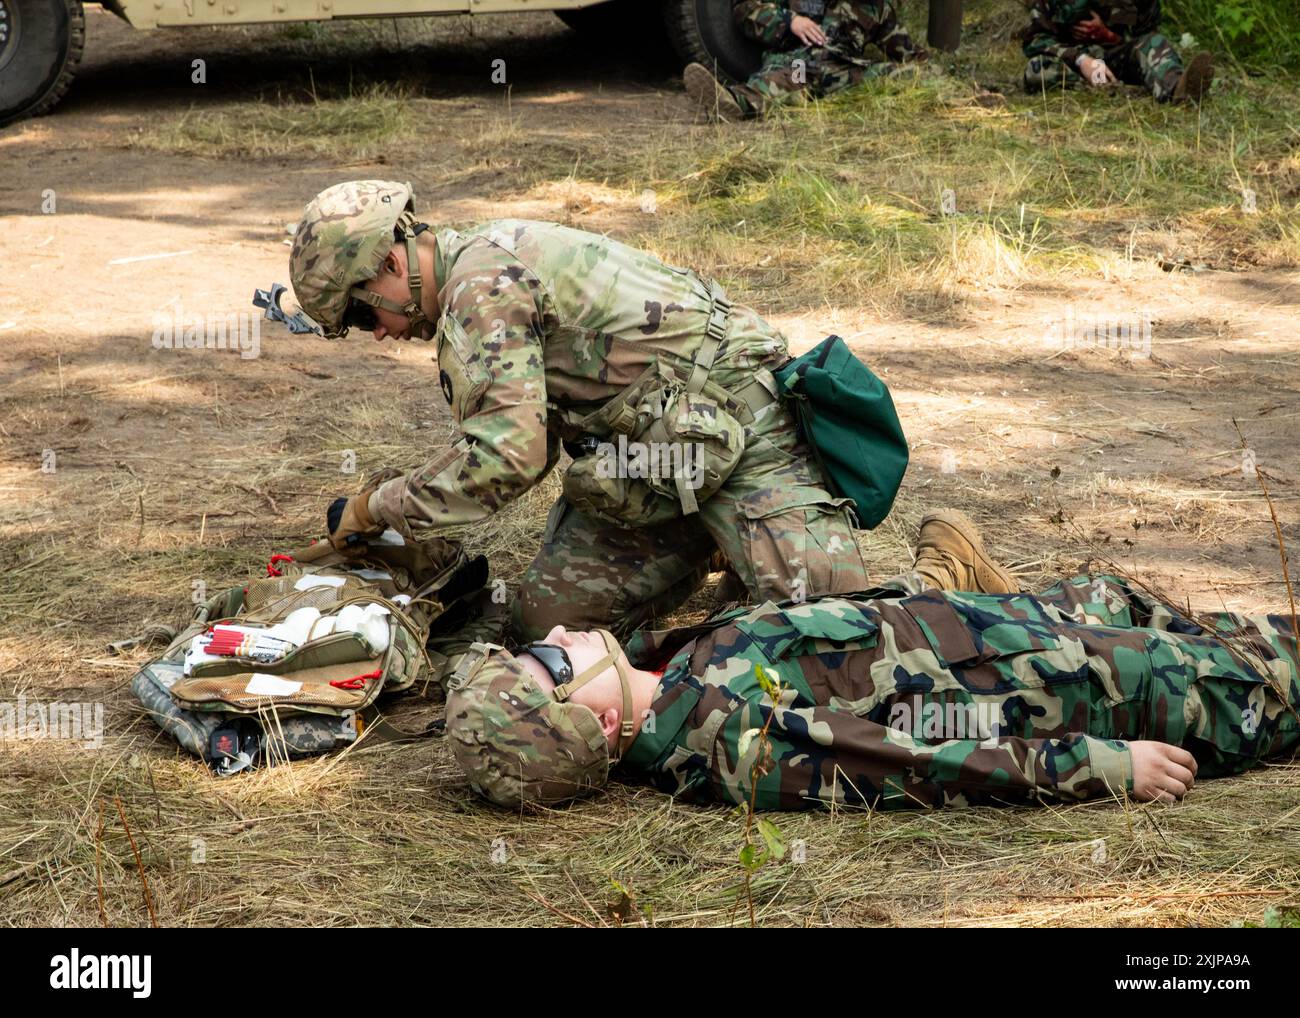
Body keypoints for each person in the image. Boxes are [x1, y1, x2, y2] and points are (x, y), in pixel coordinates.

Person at [287, 180, 916, 643]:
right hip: (655, 461)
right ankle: (710, 542)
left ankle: (941, 566)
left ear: (393, 264)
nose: (375, 334)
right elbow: (533, 439)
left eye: (365, 313)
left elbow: (507, 458)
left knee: (839, 641)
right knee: (547, 626)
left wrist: (377, 508)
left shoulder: (481, 291)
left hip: (745, 430)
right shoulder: (477, 263)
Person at [447, 512, 1298, 811]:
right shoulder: (730, 742)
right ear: (595, 723)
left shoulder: (663, 673)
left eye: (537, 649)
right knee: (1277, 675)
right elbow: (919, 762)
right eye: (547, 669)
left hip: (1039, 630)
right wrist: (1100, 766)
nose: (555, 641)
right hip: (1091, 697)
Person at [684, 0, 929, 122]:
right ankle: (732, 102)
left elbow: (903, 47)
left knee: (900, 76)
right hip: (800, 62)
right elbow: (746, 11)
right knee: (787, 79)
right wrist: (789, 20)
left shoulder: (872, 6)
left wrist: (926, 67)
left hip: (845, 71)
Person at [1021, 1, 1214, 103]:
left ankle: (1178, 92)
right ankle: (1105, 90)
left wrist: (1109, 37)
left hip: (1118, 58)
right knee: (1037, 68)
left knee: (1156, 43)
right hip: (1075, 67)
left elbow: (1148, 35)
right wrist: (1081, 60)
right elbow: (1035, 40)